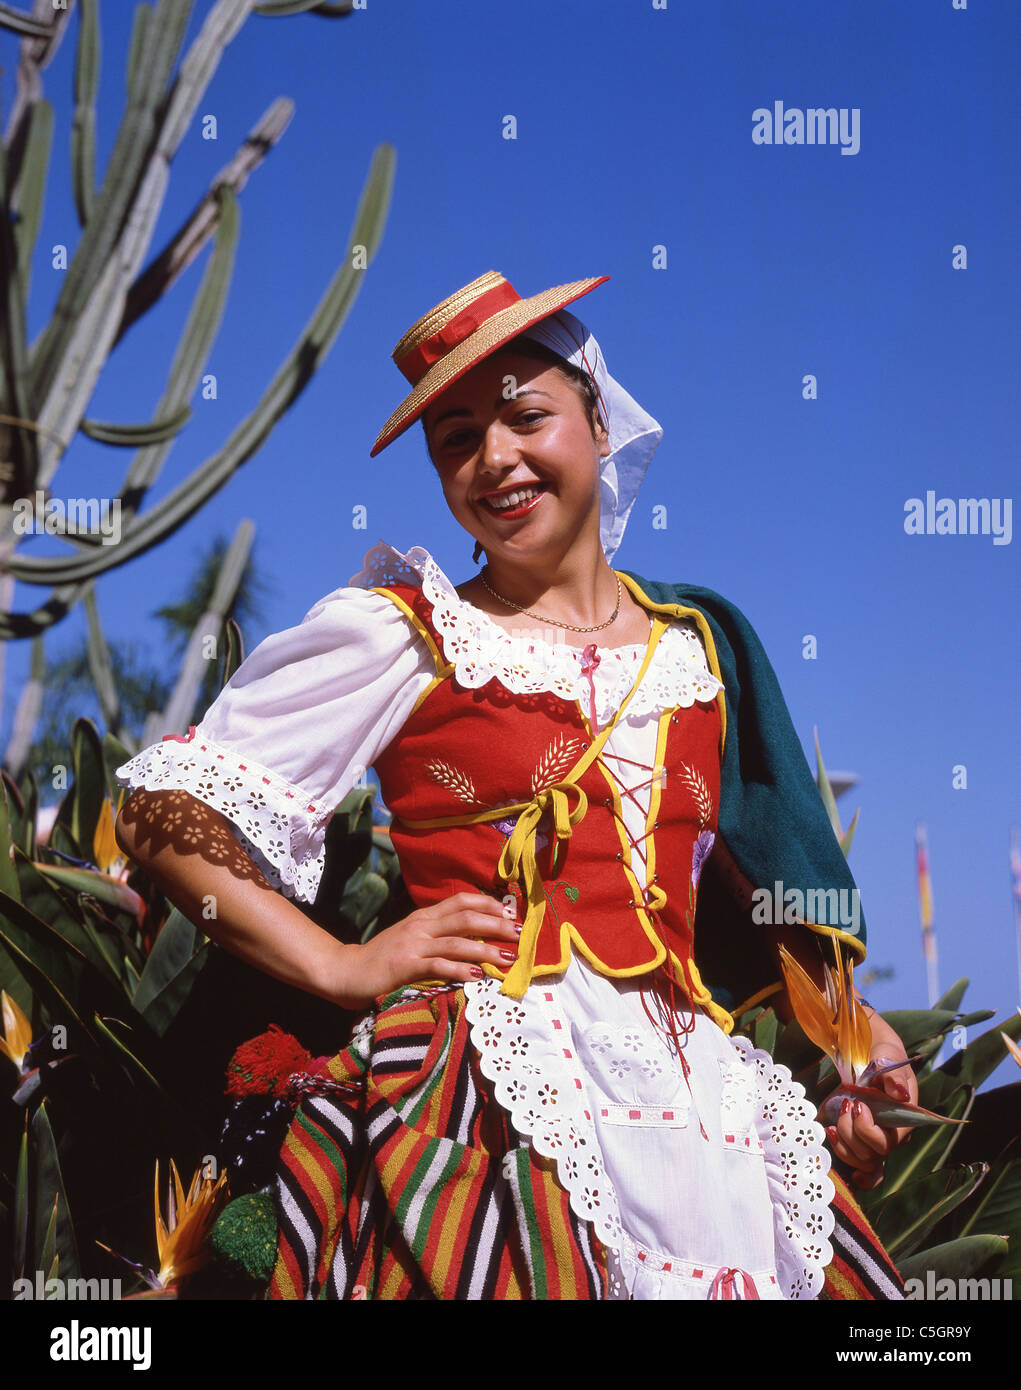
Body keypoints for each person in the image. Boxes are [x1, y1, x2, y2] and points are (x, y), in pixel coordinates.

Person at [114, 271, 916, 1301]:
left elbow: (760, 897)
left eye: (524, 415)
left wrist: (858, 1044)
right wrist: (340, 963)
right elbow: (163, 810)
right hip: (485, 1093)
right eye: (454, 439)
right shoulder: (404, 632)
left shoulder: (702, 647)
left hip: (711, 1121)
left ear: (596, 415)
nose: (492, 457)